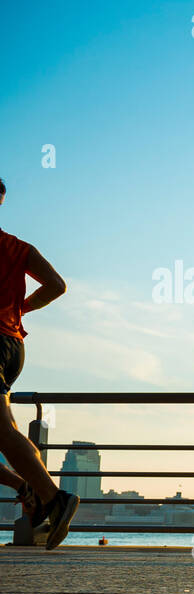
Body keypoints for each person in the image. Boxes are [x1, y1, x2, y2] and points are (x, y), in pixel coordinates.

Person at [0, 177, 80, 549]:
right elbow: (56, 285)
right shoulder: (18, 247)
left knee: (3, 432)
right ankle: (29, 488)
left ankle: (54, 498)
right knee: (6, 431)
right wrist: (22, 308)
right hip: (12, 343)